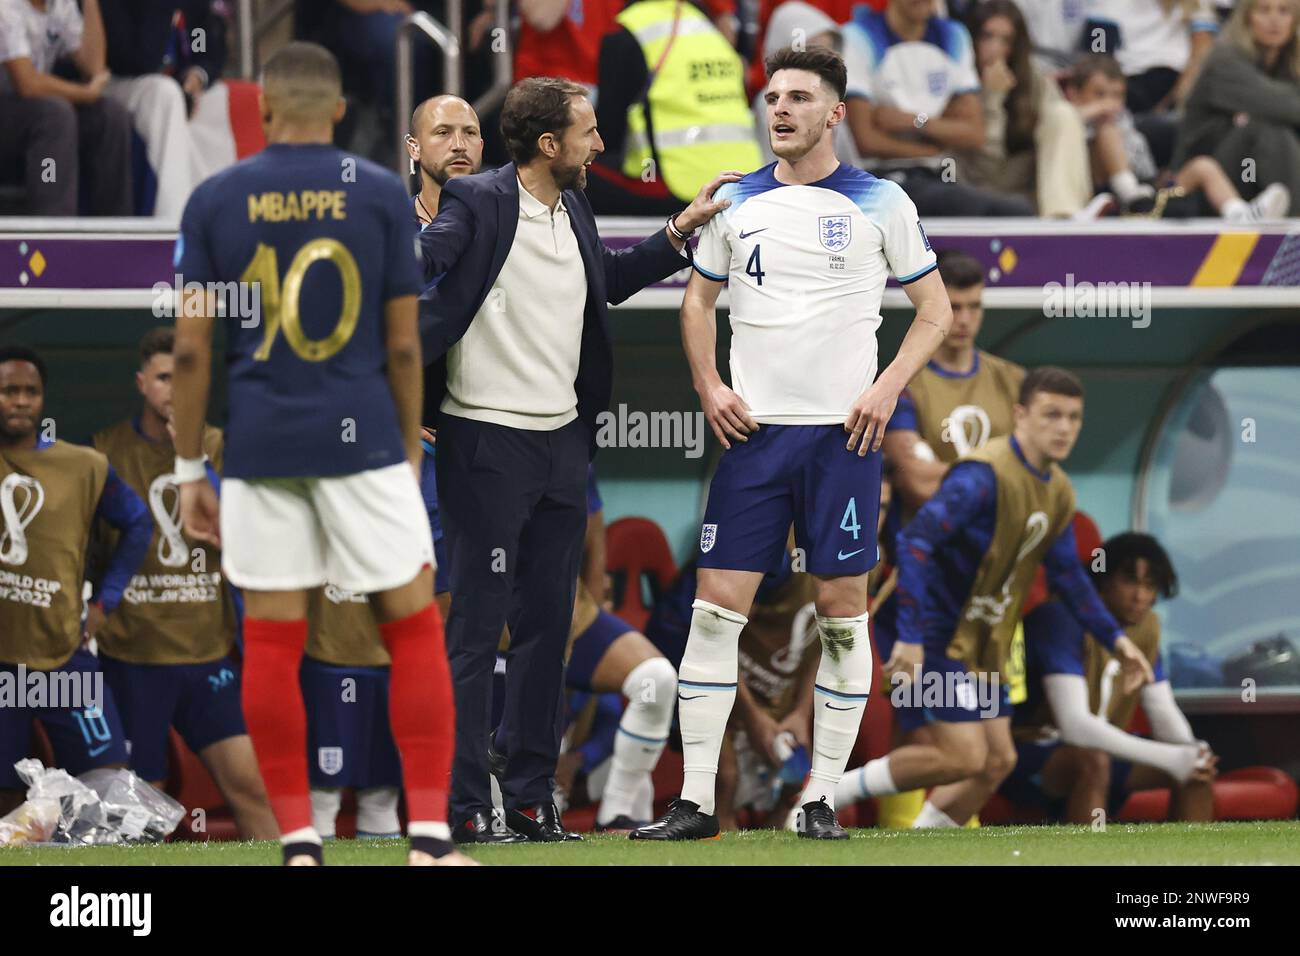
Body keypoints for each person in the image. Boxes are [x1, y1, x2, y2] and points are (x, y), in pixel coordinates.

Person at [630, 44, 953, 843]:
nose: (780, 109)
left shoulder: (883, 200)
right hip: (755, 438)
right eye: (772, 96)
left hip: (844, 438)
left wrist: (886, 387)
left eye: (799, 98)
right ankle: (695, 802)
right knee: (714, 615)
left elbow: (936, 311)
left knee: (842, 617)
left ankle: (819, 798)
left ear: (835, 113)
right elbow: (696, 304)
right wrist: (709, 386)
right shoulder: (734, 198)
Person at [417, 75, 733, 844]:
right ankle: (463, 806)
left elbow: (610, 283)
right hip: (485, 442)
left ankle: (530, 798)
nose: (601, 145)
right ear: (549, 144)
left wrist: (680, 228)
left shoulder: (575, 206)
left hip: (561, 447)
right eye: (588, 133)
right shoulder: (477, 201)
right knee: (475, 633)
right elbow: (422, 265)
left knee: (547, 628)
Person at [171, 42, 465, 867]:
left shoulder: (214, 198)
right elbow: (403, 346)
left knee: (271, 644)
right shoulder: (375, 193)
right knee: (413, 631)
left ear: (263, 108)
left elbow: (190, 351)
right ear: (339, 111)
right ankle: (430, 842)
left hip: (260, 449)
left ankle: (299, 846)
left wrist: (189, 470)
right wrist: (406, 452)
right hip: (366, 441)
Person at [837, 368, 1156, 829]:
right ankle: (824, 796)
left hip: (983, 640)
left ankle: (922, 845)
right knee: (964, 755)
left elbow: (1068, 577)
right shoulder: (981, 476)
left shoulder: (1058, 490)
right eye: (1052, 415)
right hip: (929, 632)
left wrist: (1119, 644)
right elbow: (916, 543)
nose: (1064, 427)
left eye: (1073, 417)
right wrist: (911, 638)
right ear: (1020, 415)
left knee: (997, 760)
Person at [91, 327, 277, 840]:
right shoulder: (105, 450)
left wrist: (192, 457)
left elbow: (241, 536)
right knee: (139, 806)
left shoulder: (219, 445)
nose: (175, 390)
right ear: (141, 383)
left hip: (207, 655)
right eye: (163, 378)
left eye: (185, 378)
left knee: (254, 787)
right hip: (135, 657)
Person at [0, 346, 151, 816]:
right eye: (8, 391)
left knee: (109, 785)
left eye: (30, 392)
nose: (20, 401)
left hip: (63, 653)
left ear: (43, 399)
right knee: (5, 795)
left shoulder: (83, 465)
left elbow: (138, 522)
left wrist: (105, 601)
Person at [1003, 532, 1218, 823]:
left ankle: (1195, 850)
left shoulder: (1146, 627)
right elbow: (1074, 726)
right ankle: (1092, 850)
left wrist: (1191, 751)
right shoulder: (1059, 617)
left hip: (1101, 747)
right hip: (1029, 751)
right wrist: (1172, 759)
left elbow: (1162, 709)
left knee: (1197, 769)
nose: (1140, 596)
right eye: (1130, 581)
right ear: (1102, 581)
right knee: (1093, 761)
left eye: (1150, 585)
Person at [842, 0, 1033, 217]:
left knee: (1017, 207)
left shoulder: (953, 35)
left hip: (941, 175)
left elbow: (974, 133)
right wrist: (935, 146)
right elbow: (866, 141)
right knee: (1009, 210)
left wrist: (915, 121)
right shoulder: (859, 36)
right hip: (882, 179)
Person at [588, 0, 762, 216]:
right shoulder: (705, 25)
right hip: (744, 186)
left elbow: (607, 134)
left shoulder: (630, 30)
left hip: (679, 189)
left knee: (572, 172)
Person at [1069, 52, 1293, 219]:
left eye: (1117, 96)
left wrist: (1160, 180)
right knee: (1107, 131)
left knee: (1203, 166)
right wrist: (1094, 111)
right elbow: (1068, 120)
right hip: (1107, 196)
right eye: (1099, 94)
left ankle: (1239, 213)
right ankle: (1131, 195)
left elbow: (1145, 170)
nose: (1110, 103)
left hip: (1148, 196)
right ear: (1075, 94)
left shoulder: (1125, 121)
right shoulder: (1073, 122)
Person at [98, 0, 233, 217]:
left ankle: (217, 213)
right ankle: (173, 218)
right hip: (116, 81)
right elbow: (138, 58)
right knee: (166, 95)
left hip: (172, 81)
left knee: (215, 97)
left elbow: (203, 43)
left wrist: (197, 74)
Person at [959, 0, 1092, 218]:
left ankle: (1064, 214)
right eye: (987, 37)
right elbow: (988, 165)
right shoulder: (959, 78)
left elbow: (1065, 129)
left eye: (1006, 40)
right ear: (973, 38)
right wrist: (992, 98)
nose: (995, 49)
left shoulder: (1031, 76)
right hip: (976, 185)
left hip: (1026, 184)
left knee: (1062, 114)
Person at [0, 0, 132, 216]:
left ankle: (116, 228)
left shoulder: (61, 4)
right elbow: (27, 84)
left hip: (34, 110)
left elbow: (94, 67)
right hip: (8, 110)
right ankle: (52, 225)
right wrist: (86, 93)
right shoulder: (6, 7)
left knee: (109, 115)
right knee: (54, 115)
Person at [1173, 0, 1300, 217]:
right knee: (1265, 128)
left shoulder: (1289, 64)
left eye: (1284, 11)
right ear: (1246, 18)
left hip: (1254, 175)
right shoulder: (1225, 58)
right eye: (1264, 10)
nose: (1274, 20)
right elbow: (1283, 106)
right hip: (1209, 181)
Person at [406, 95, 484, 228]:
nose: (459, 145)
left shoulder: (508, 222)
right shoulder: (394, 229)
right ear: (415, 148)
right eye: (443, 132)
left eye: (470, 133)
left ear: (481, 146)